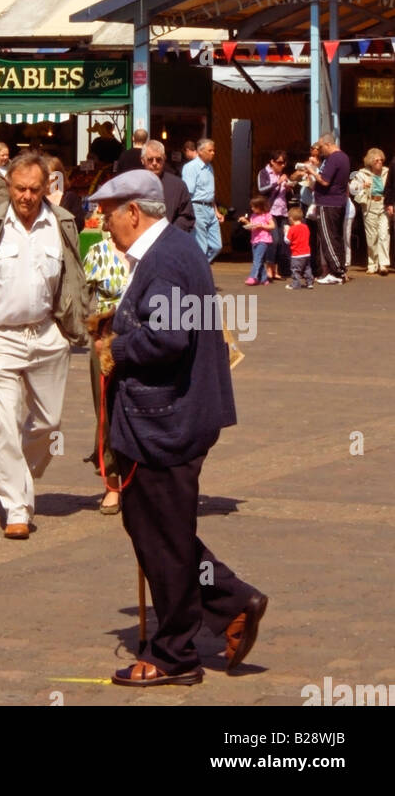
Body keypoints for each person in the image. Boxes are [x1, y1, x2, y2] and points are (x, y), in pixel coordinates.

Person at [90, 167, 267, 687]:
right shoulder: (170, 249)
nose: (102, 220)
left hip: (168, 420)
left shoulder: (166, 256)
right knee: (158, 530)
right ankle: (233, 600)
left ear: (134, 212)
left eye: (108, 211)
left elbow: (166, 340)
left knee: (162, 538)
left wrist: (115, 348)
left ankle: (175, 653)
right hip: (171, 415)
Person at [0, 152, 87, 539]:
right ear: (8, 186)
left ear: (46, 188)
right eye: (20, 188)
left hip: (46, 334)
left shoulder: (62, 224)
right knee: (4, 425)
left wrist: (85, 327)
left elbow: (74, 278)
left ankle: (20, 471)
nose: (26, 196)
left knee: (49, 423)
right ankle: (17, 507)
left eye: (34, 189)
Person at [81, 219, 129, 515]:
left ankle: (141, 482)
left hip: (146, 339)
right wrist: (90, 329)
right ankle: (112, 485)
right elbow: (79, 295)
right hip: (105, 340)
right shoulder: (98, 252)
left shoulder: (151, 254)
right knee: (107, 413)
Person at [308, 133, 350, 284]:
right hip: (338, 202)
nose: (320, 151)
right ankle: (340, 270)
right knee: (337, 237)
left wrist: (312, 171)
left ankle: (337, 272)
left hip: (328, 203)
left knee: (328, 238)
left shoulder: (334, 158)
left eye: (321, 147)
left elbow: (325, 181)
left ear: (327, 144)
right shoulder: (344, 157)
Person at [182, 138, 223, 262]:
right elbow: (187, 192)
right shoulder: (191, 167)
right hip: (197, 207)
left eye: (213, 150)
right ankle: (199, 270)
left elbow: (210, 193)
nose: (213, 153)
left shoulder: (210, 167)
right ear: (200, 151)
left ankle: (198, 266)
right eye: (210, 150)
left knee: (217, 246)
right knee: (201, 245)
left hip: (210, 208)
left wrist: (216, 211)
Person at [349, 148, 389, 275]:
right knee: (372, 237)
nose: (379, 162)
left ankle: (383, 264)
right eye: (376, 160)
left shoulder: (388, 172)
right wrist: (362, 186)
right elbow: (352, 189)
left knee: (384, 233)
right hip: (370, 206)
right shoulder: (362, 174)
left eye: (381, 160)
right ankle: (372, 263)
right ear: (370, 162)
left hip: (383, 205)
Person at [141, 141, 194, 231]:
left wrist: (171, 232)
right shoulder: (133, 184)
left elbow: (187, 216)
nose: (154, 163)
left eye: (158, 159)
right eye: (150, 159)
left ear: (164, 159)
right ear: (142, 160)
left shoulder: (178, 186)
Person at [257, 150, 291, 281]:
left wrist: (288, 188)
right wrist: (277, 183)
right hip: (270, 211)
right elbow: (262, 189)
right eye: (279, 163)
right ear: (272, 162)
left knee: (282, 242)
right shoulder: (264, 173)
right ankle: (268, 268)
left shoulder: (282, 174)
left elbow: (287, 196)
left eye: (284, 163)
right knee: (274, 240)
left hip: (282, 211)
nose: (282, 165)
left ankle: (275, 269)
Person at [239, 197, 275, 285]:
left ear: (260, 206)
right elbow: (252, 227)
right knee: (259, 260)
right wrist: (246, 222)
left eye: (254, 207)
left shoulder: (267, 215)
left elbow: (272, 226)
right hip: (254, 240)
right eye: (252, 207)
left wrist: (262, 226)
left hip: (263, 240)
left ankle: (253, 277)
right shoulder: (253, 216)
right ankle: (264, 278)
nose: (252, 209)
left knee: (257, 259)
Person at [284, 205, 314, 289]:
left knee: (295, 270)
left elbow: (287, 241)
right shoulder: (305, 227)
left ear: (291, 218)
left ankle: (296, 284)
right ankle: (309, 283)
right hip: (306, 253)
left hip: (297, 254)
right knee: (307, 269)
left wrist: (286, 232)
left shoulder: (292, 229)